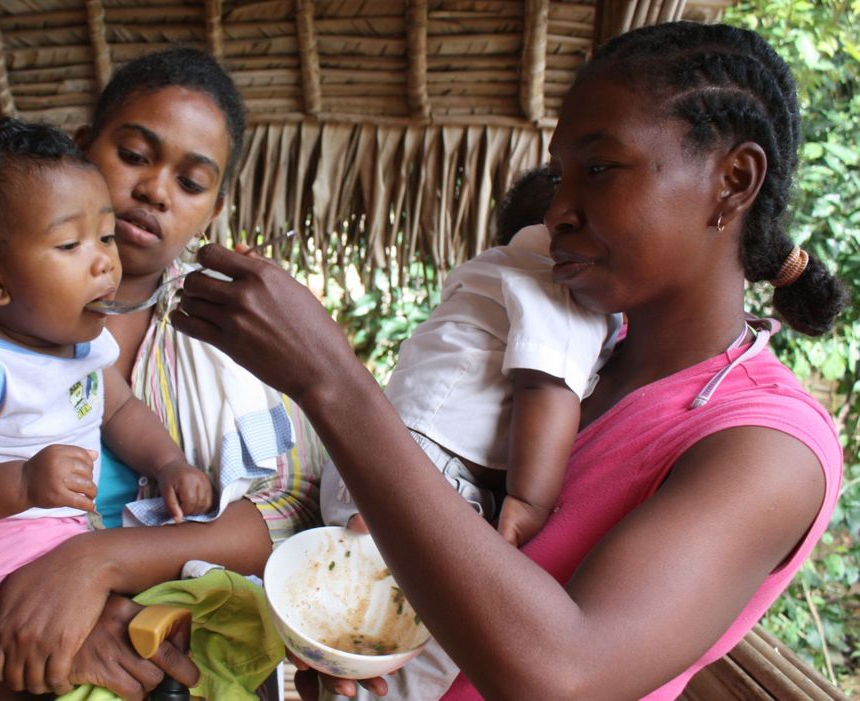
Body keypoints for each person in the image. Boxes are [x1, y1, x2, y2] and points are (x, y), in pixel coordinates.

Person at [171, 20, 847, 699]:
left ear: (733, 180)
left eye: (599, 169)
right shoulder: (578, 362)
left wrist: (330, 379)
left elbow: (566, 675)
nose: (558, 212)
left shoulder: (770, 444)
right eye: (558, 177)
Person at [0, 48, 325, 700]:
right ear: (82, 150)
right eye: (133, 154)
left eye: (192, 183)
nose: (155, 190)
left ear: (215, 208)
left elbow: (294, 514)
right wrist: (38, 637)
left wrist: (96, 561)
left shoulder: (243, 335)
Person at [0, 120, 214, 614]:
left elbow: (120, 410)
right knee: (125, 597)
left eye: (105, 237)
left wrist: (169, 464)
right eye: (70, 245)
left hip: (40, 529)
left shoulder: (75, 338)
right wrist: (23, 483)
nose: (105, 263)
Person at [321, 221, 621, 547]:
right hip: (423, 473)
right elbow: (546, 386)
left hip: (358, 454)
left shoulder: (490, 267)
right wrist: (528, 504)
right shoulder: (564, 286)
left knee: (353, 565)